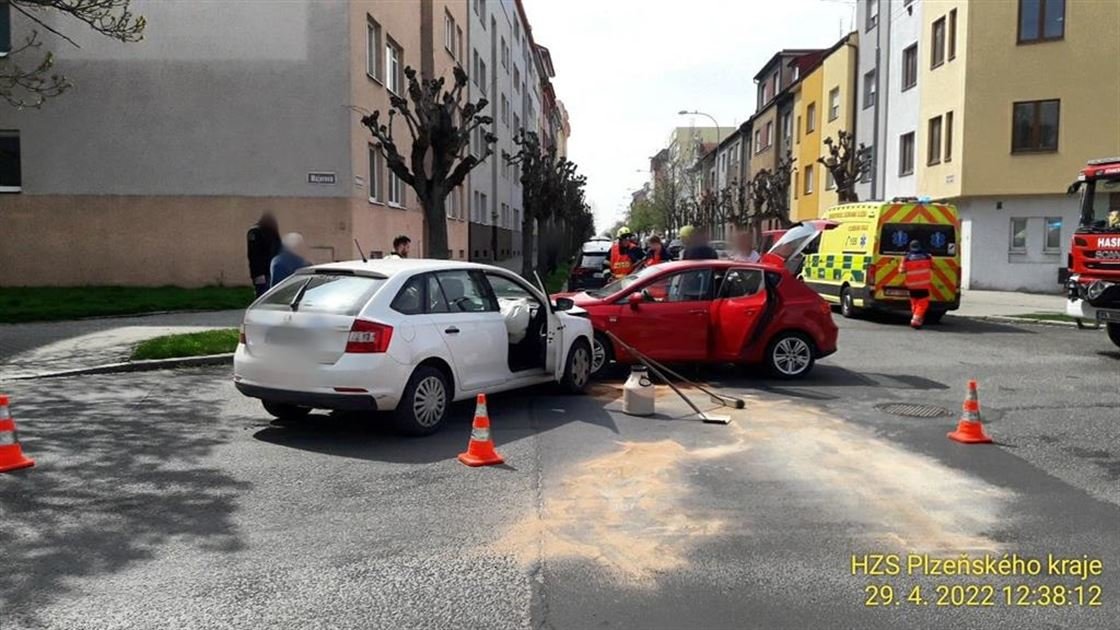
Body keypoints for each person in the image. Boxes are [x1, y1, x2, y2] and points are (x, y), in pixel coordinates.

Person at [900, 240, 933, 329]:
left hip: (912, 285)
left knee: (914, 302)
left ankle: (917, 318)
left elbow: (901, 271)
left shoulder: (906, 258)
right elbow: (932, 266)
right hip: (923, 285)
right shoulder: (927, 257)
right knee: (922, 303)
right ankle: (916, 320)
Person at [247, 212, 281, 297]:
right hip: (266, 271)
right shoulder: (258, 232)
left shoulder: (269, 232)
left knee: (264, 296)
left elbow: (253, 255)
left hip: (266, 271)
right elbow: (255, 255)